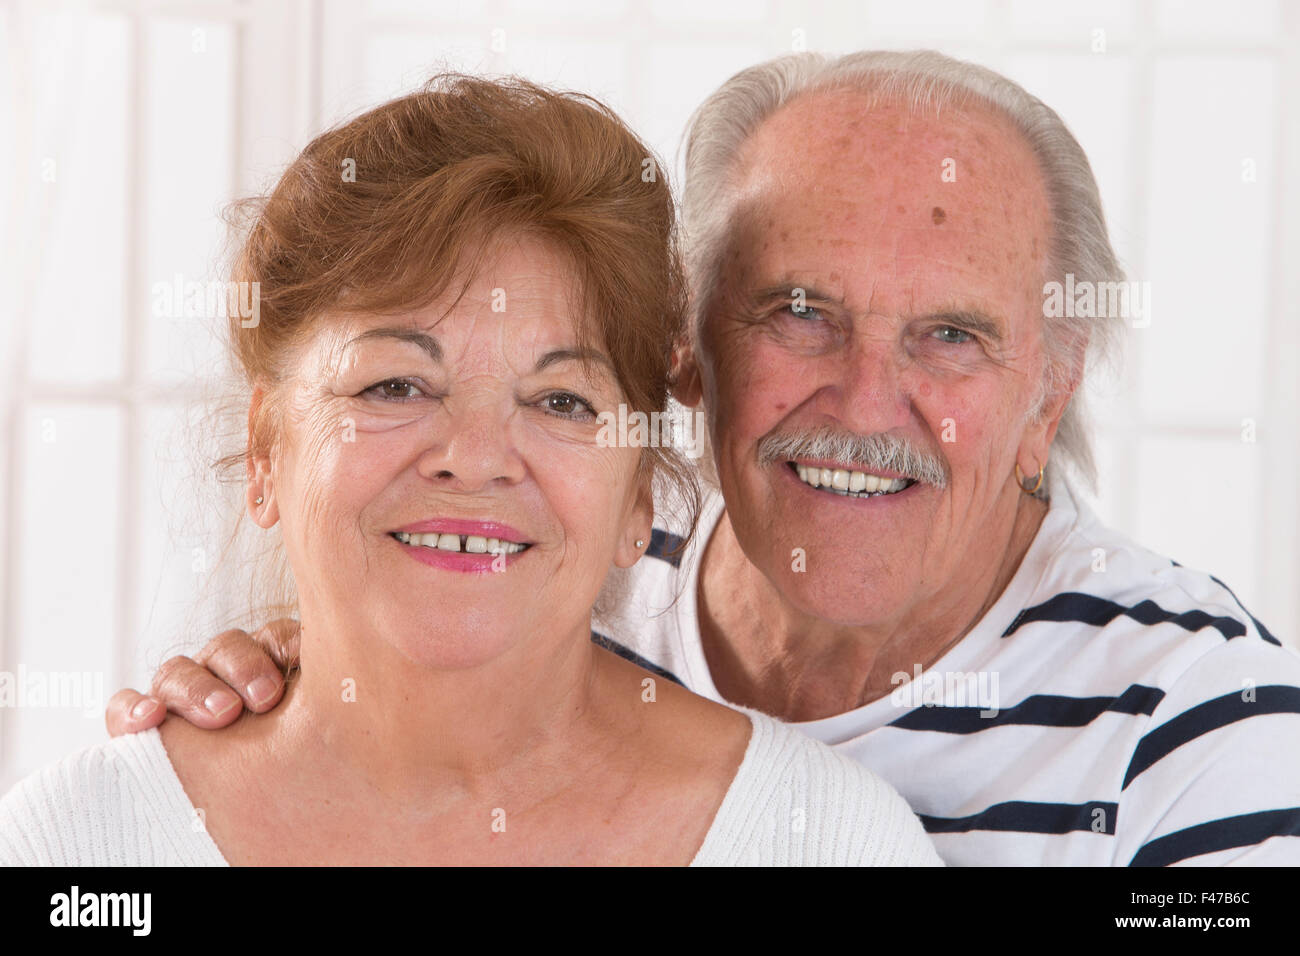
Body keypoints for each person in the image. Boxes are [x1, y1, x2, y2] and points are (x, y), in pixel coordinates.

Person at [109, 52, 1300, 866]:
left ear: (1051, 391)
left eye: (952, 334)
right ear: (686, 350)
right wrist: (301, 676)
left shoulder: (1203, 727)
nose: (865, 399)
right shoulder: (566, 559)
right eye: (797, 311)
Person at [0, 74, 942, 867]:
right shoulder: (82, 848)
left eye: (561, 401)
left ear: (639, 497)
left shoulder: (827, 845)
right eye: (397, 384)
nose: (477, 458)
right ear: (265, 452)